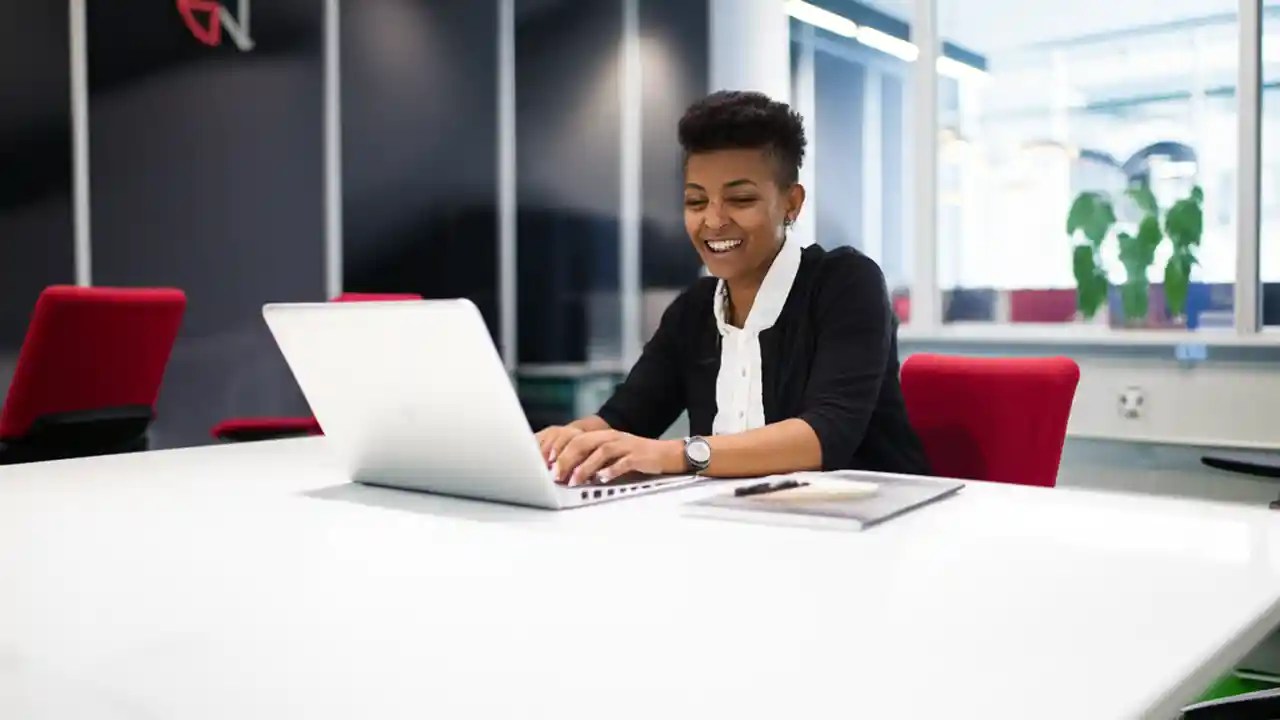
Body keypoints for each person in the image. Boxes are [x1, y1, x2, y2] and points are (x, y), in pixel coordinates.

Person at [535, 90, 930, 486]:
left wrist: (678, 454)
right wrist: (567, 440)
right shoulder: (693, 311)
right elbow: (624, 418)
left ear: (791, 203)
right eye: (696, 202)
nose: (713, 221)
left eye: (740, 199)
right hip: (739, 514)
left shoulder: (846, 283)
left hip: (875, 510)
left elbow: (825, 435)